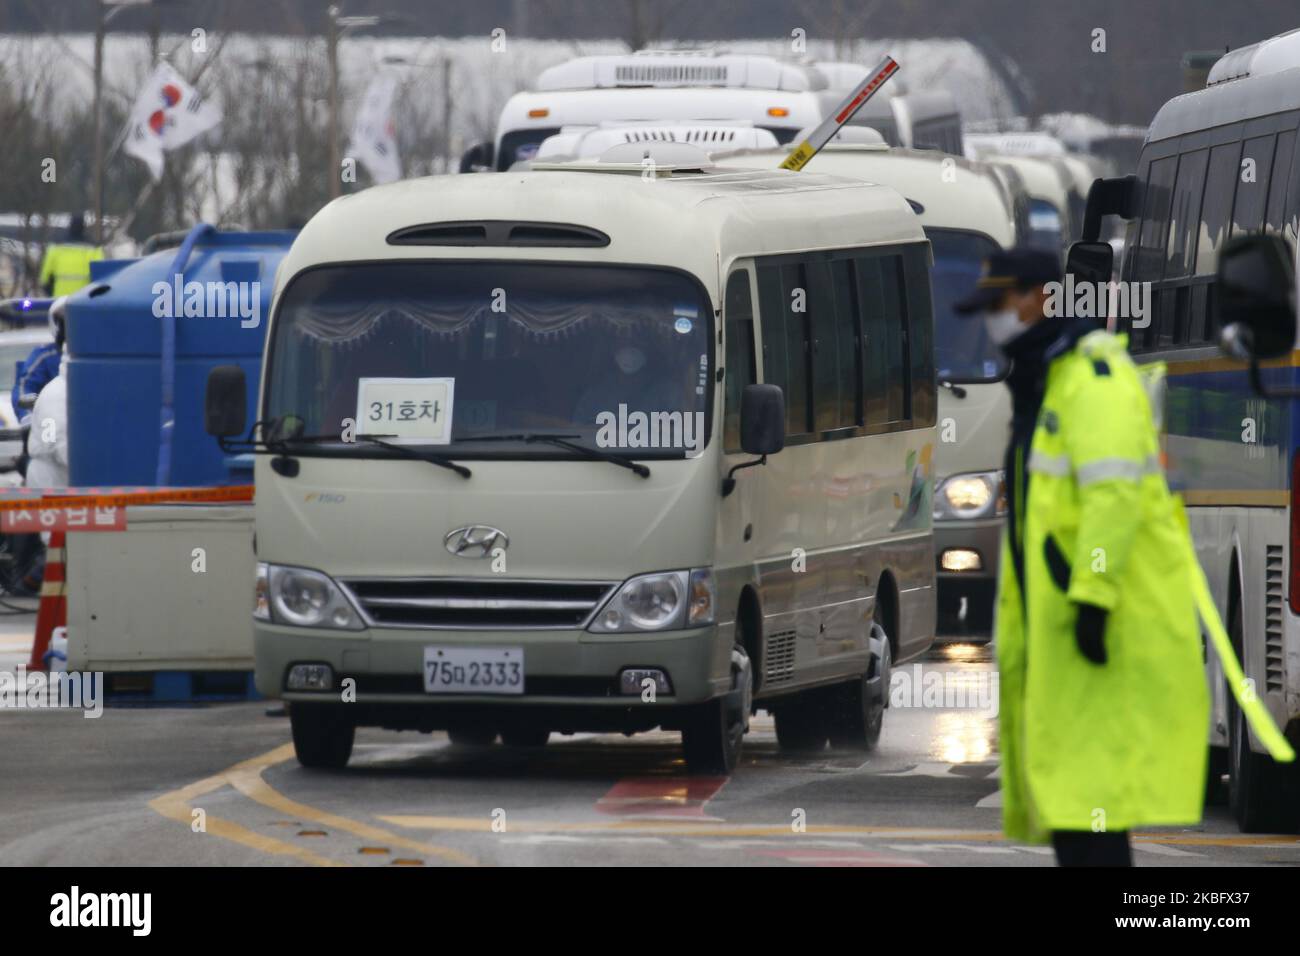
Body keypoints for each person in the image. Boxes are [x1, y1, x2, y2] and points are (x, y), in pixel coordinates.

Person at [954, 248, 1208, 867]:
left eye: (999, 303)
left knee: (1090, 820)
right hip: (1063, 637)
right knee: (1078, 817)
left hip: (1094, 632)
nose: (992, 319)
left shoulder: (1090, 380)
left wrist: (1091, 596)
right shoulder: (1047, 379)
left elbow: (1113, 498)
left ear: (1040, 296)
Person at [13, 296, 68, 427]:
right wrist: (27, 416)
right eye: (67, 323)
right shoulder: (45, 356)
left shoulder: (99, 356)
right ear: (58, 325)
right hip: (54, 425)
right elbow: (25, 387)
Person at [38, 213, 103, 298]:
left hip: (59, 298)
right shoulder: (94, 248)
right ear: (84, 227)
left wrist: (48, 290)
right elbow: (100, 274)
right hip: (84, 298)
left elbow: (45, 276)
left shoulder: (56, 246)